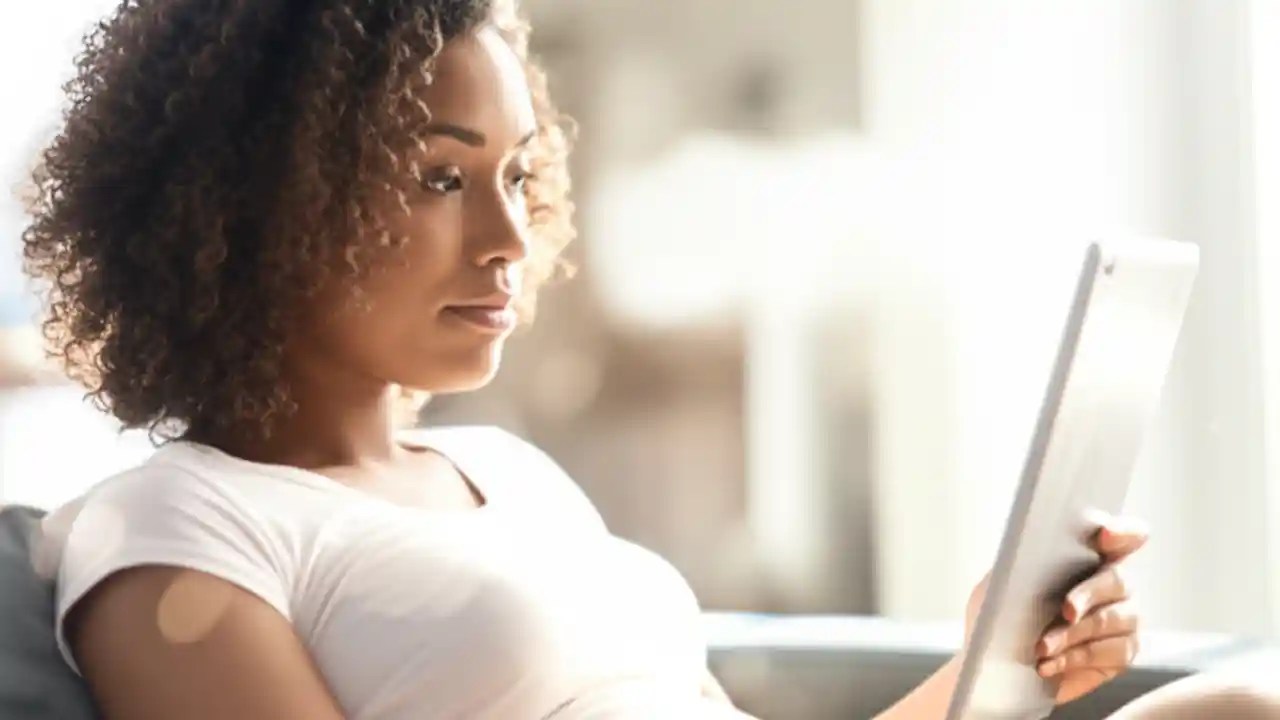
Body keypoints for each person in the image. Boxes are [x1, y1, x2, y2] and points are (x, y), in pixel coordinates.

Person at [22, 1, 1149, 717]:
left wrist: (988, 667)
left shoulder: (513, 477)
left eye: (517, 176)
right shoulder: (176, 528)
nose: (509, 239)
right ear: (256, 206)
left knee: (1243, 704)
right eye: (438, 178)